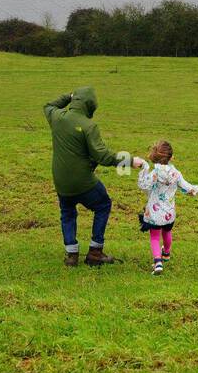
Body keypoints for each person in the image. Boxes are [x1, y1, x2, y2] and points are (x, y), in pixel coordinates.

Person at [44, 86, 134, 266]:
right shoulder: (89, 125)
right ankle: (95, 252)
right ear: (90, 105)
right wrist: (129, 161)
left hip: (61, 181)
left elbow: (48, 106)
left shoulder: (57, 117)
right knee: (103, 204)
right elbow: (102, 155)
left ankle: (71, 254)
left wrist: (68, 97)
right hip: (83, 182)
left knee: (67, 212)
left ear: (75, 100)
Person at [136, 140, 198, 275]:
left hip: (154, 214)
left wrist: (144, 168)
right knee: (167, 232)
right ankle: (166, 253)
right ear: (171, 157)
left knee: (154, 237)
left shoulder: (155, 173)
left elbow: (144, 185)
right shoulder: (176, 174)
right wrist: (194, 190)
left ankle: (157, 262)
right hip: (169, 213)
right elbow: (186, 186)